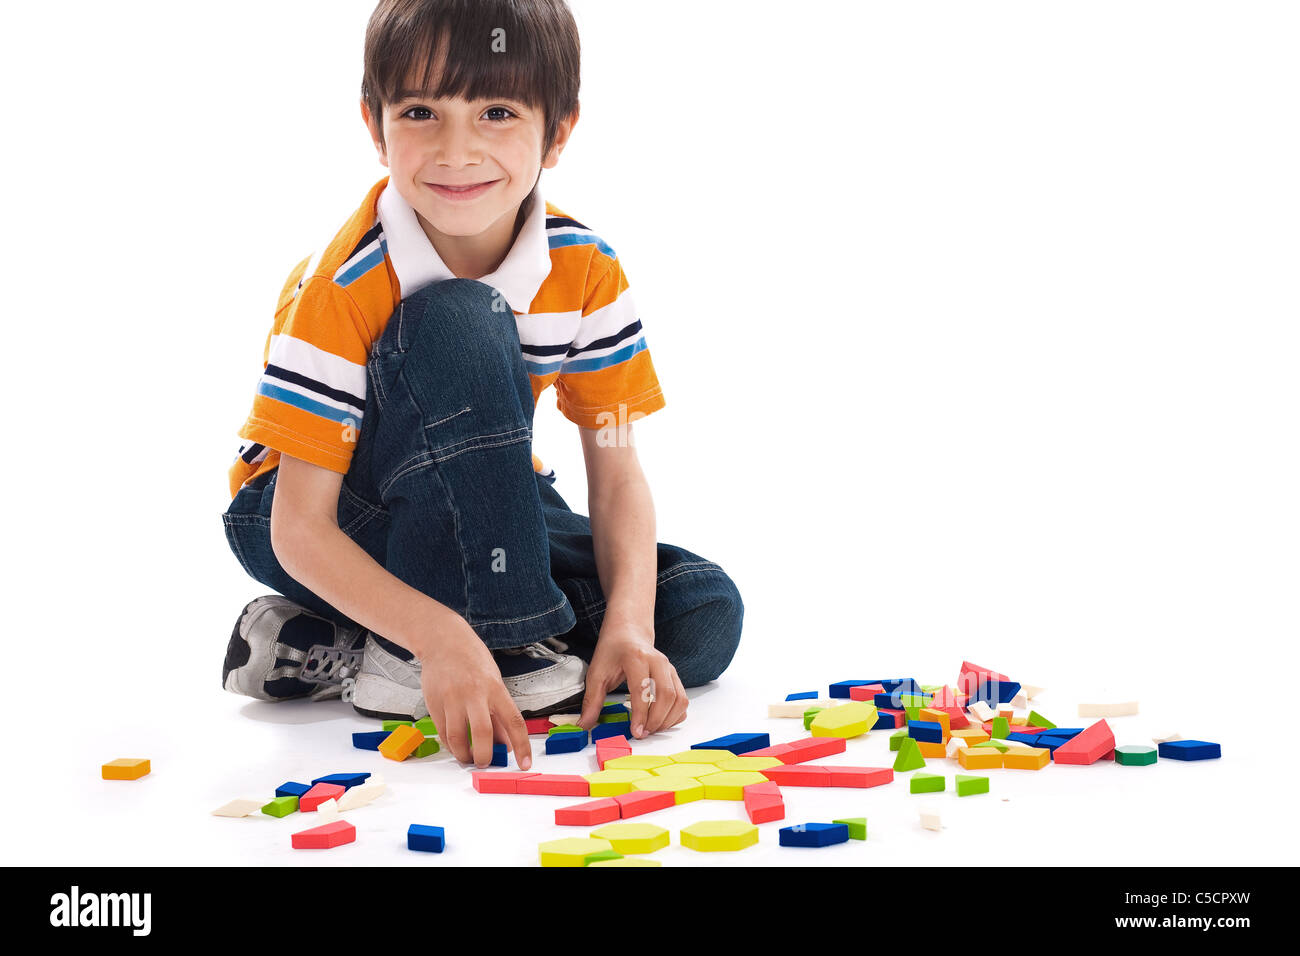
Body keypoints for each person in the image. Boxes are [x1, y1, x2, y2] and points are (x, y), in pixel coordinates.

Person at [220, 0, 743, 770]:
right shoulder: (345, 282)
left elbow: (619, 470)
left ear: (558, 131)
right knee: (464, 316)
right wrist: (444, 634)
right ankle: (477, 643)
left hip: (489, 498)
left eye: (496, 111)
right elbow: (300, 529)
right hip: (318, 513)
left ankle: (361, 646)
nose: (455, 151)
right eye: (421, 112)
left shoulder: (588, 271)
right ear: (376, 125)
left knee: (699, 612)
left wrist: (630, 624)